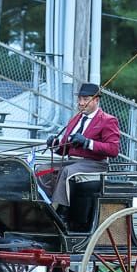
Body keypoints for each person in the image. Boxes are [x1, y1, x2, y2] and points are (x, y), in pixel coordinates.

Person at [44, 83, 120, 220]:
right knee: (42, 170)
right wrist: (55, 145)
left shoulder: (108, 121)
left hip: (94, 164)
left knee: (67, 172)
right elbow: (64, 150)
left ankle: (60, 212)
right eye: (79, 99)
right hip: (72, 162)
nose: (81, 103)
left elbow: (113, 150)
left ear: (96, 100)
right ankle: (42, 204)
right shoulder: (75, 119)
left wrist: (87, 142)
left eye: (85, 99)